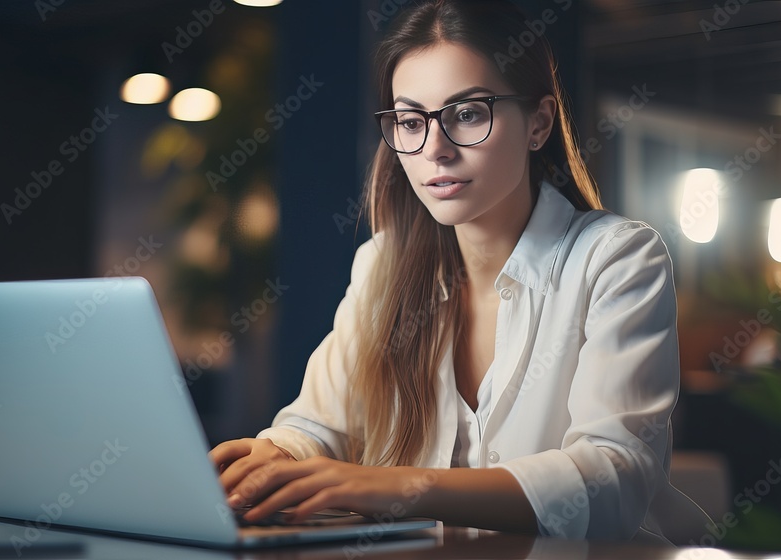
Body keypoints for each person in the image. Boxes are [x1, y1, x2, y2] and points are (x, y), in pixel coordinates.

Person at [210, 0, 711, 543]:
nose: (435, 149)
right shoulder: (382, 265)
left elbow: (613, 478)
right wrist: (275, 454)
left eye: (468, 113)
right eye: (409, 121)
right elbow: (319, 424)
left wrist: (390, 487)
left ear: (539, 122)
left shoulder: (616, 259)